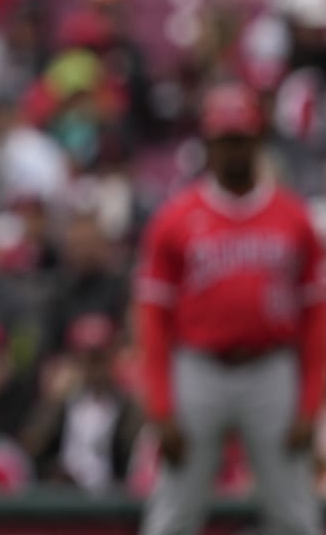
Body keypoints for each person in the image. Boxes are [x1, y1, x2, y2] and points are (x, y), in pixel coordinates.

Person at [134, 83, 326, 535]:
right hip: (197, 369)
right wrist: (161, 406)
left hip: (272, 370)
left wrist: (310, 404)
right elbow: (153, 320)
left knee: (296, 514)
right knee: (173, 515)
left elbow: (316, 321)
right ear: (207, 144)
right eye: (224, 140)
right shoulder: (175, 218)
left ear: (257, 140)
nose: (233, 150)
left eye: (240, 138)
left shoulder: (293, 217)